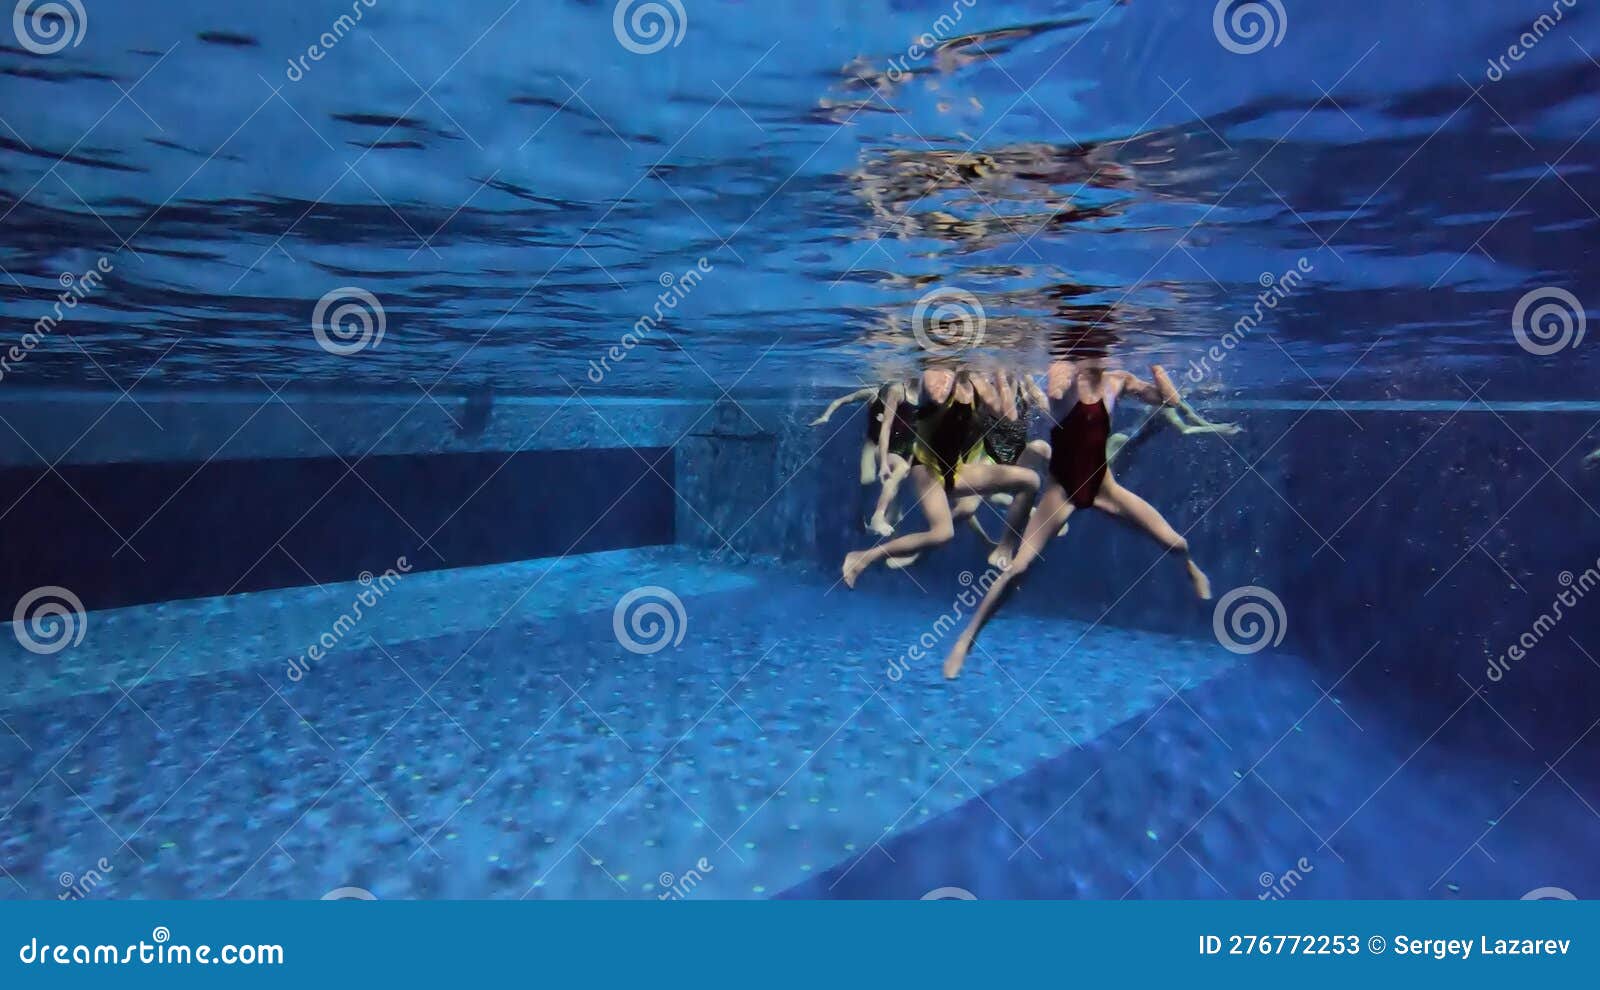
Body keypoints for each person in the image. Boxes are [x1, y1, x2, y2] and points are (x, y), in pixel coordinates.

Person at [942, 359, 1213, 679]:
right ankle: (966, 639)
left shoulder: (1119, 380)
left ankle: (1191, 568)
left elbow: (1170, 401)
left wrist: (1157, 368)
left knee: (1177, 544)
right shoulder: (1066, 378)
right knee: (1018, 569)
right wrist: (1061, 374)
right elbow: (1056, 389)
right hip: (1062, 492)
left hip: (1105, 489)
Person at [841, 368, 1040, 588]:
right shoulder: (935, 375)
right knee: (942, 533)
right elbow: (937, 395)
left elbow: (1008, 417)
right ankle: (863, 557)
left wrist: (1002, 376)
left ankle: (1004, 549)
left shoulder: (976, 381)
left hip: (956, 470)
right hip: (926, 470)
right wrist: (958, 374)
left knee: (1030, 480)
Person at [810, 380, 919, 536]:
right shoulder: (872, 393)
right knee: (867, 481)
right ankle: (861, 517)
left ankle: (890, 514)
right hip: (872, 444)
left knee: (896, 477)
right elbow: (841, 400)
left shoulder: (902, 398)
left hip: (893, 445)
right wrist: (825, 416)